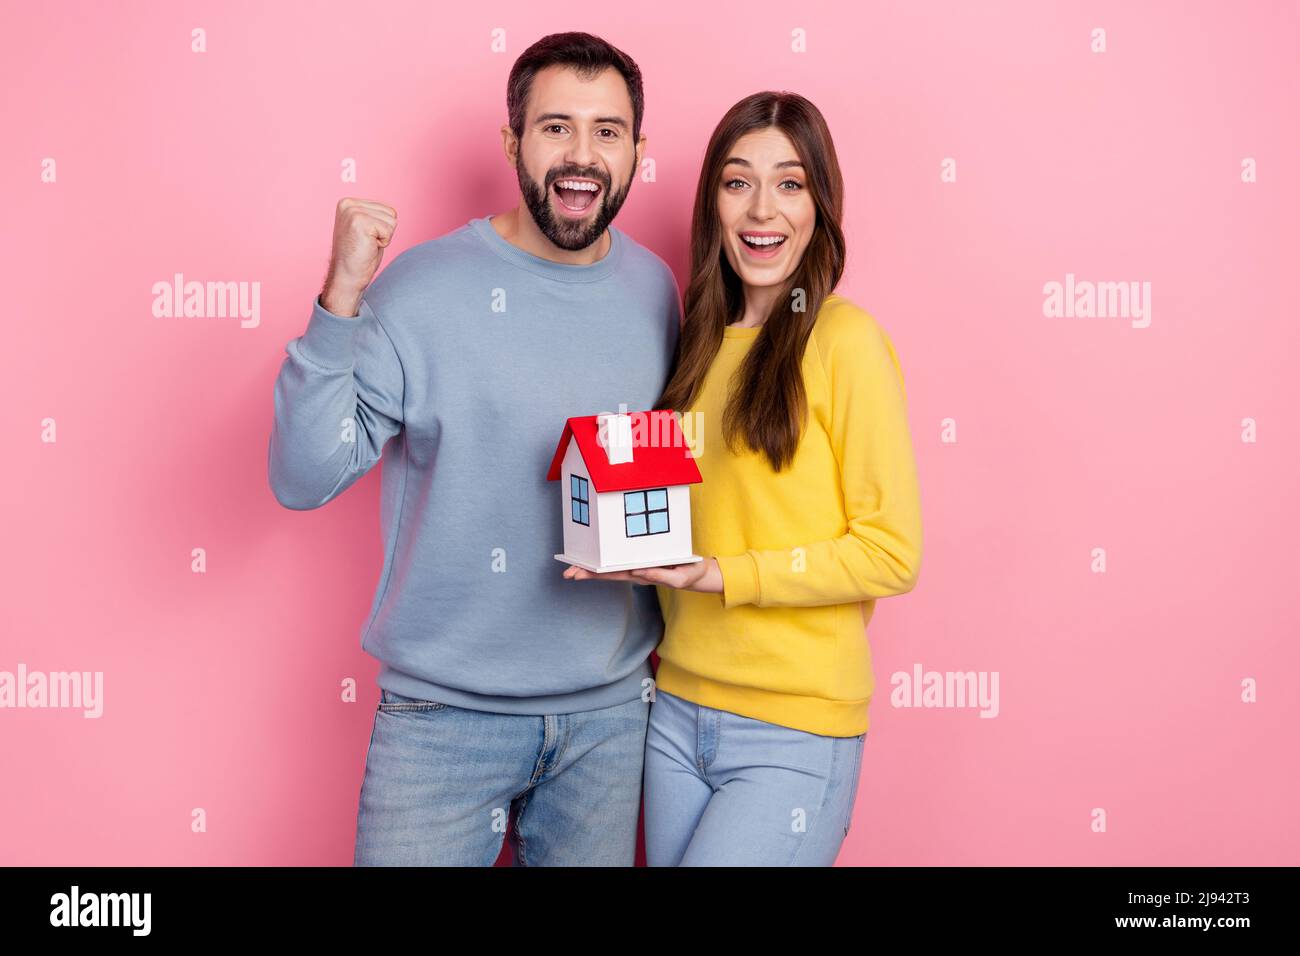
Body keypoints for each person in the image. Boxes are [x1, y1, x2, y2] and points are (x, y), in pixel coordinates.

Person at [269, 32, 680, 866]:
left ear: (639, 151)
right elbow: (302, 479)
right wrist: (341, 297)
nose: (582, 154)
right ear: (512, 142)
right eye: (556, 126)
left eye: (607, 132)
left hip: (610, 721)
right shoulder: (419, 289)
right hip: (439, 725)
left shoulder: (658, 291)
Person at [563, 91, 923, 865]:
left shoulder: (845, 342)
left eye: (790, 183)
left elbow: (891, 551)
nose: (763, 209)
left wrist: (720, 574)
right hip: (675, 710)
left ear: (820, 205)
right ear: (713, 204)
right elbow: (687, 517)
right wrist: (613, 544)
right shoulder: (694, 347)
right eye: (738, 182)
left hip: (793, 729)